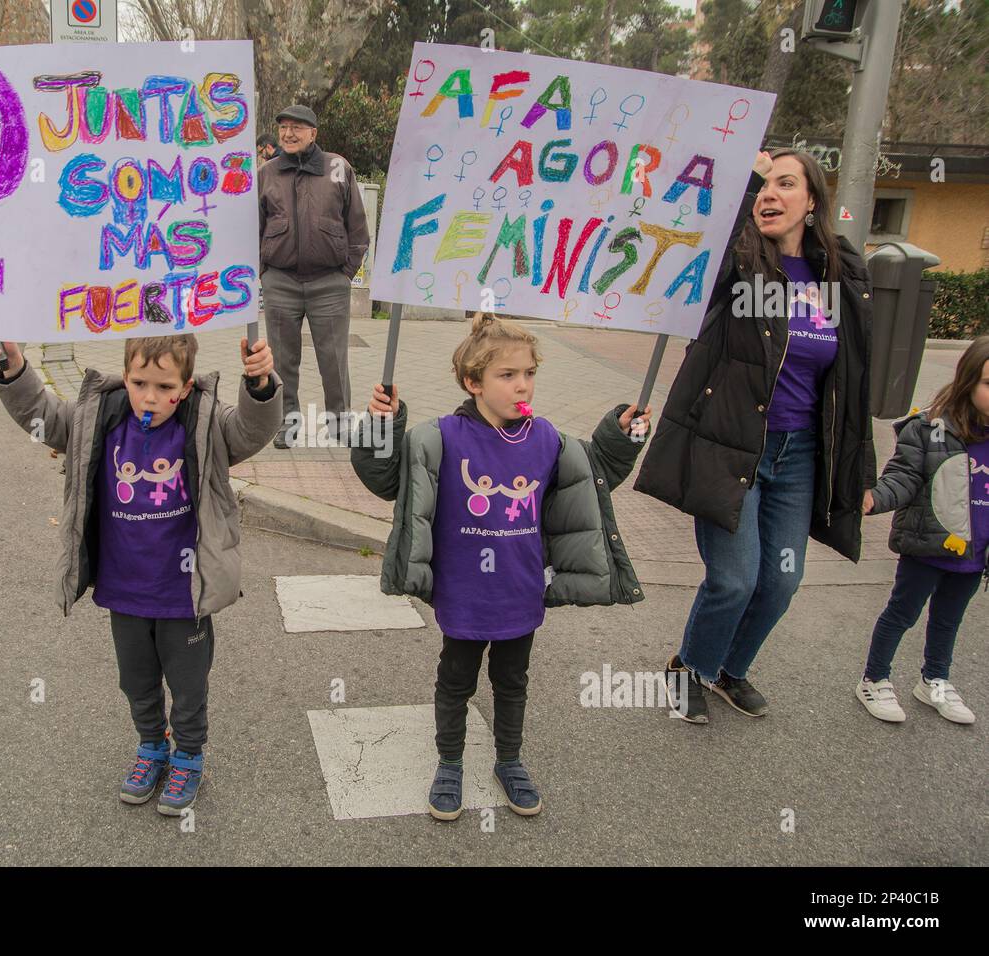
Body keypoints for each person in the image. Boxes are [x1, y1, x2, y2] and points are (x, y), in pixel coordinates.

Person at [351, 314, 651, 820]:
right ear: (474, 382)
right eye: (507, 375)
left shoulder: (546, 439)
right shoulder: (440, 438)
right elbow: (384, 477)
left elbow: (593, 475)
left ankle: (509, 760)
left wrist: (627, 434)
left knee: (513, 681)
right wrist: (382, 425)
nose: (522, 385)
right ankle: (449, 763)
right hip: (464, 592)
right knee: (456, 680)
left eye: (529, 373)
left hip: (521, 590)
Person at [0, 334, 281, 814]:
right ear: (125, 377)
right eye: (139, 383)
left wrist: (260, 384)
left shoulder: (203, 421)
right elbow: (44, 417)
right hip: (124, 590)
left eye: (164, 387)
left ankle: (188, 755)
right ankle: (151, 746)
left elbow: (250, 430)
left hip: (184, 593)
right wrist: (15, 369)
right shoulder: (100, 416)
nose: (150, 397)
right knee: (137, 681)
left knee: (188, 685)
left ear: (185, 387)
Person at [634, 148, 876, 724]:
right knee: (734, 581)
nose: (771, 193)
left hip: (800, 457)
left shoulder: (837, 274)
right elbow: (705, 245)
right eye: (765, 186)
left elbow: (853, 382)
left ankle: (727, 669)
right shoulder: (739, 264)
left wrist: (861, 471)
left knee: (782, 580)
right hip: (732, 447)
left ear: (812, 201)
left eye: (785, 184)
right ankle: (689, 667)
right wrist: (747, 178)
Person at [856, 336, 989, 725]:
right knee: (902, 613)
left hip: (974, 553)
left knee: (948, 620)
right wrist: (874, 498)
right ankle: (874, 679)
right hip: (927, 545)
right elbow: (903, 476)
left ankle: (934, 680)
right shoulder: (930, 429)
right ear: (968, 381)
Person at [259, 104, 369, 448]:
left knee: (334, 361)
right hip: (280, 282)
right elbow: (254, 227)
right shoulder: (267, 173)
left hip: (329, 283)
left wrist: (345, 273)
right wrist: (264, 273)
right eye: (283, 127)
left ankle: (340, 424)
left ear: (313, 133)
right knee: (282, 360)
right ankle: (285, 424)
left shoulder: (338, 168)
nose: (288, 133)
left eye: (297, 127)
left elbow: (357, 227)